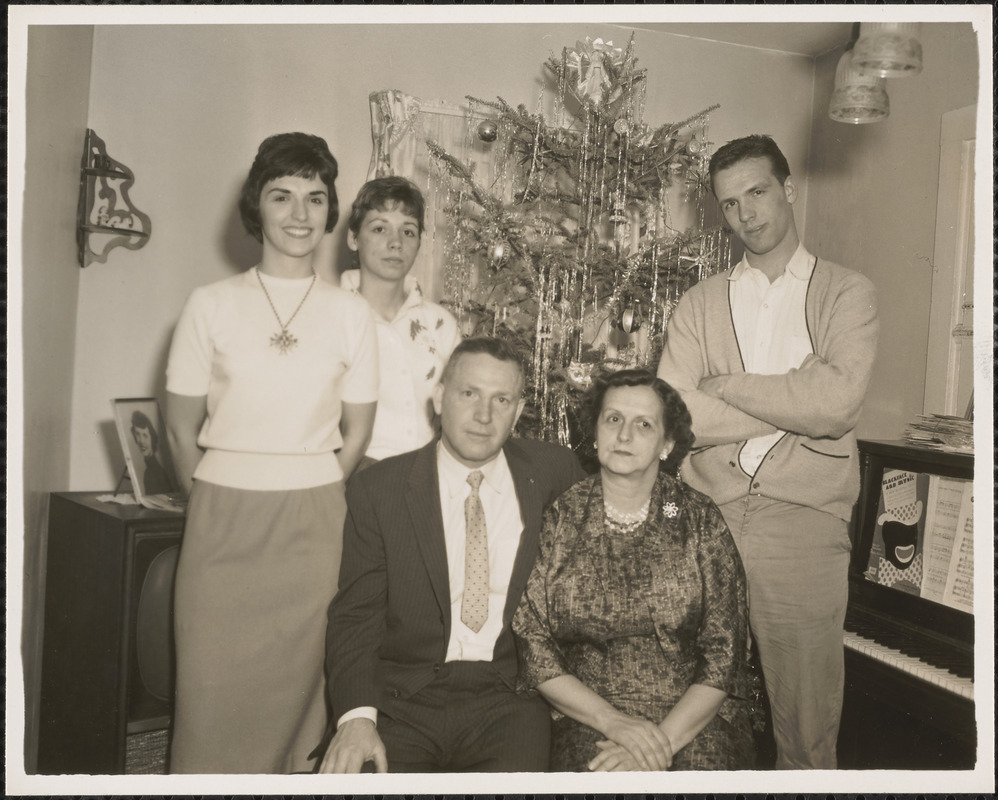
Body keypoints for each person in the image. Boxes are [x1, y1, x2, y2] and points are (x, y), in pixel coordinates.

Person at [656, 134, 879, 769]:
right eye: (729, 204)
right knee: (685, 704)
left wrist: (727, 387)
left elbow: (835, 406)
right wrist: (793, 396)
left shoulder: (846, 293)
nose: (746, 214)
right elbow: (677, 416)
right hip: (709, 514)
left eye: (757, 192)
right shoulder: (700, 304)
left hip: (804, 518)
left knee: (805, 729)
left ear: (788, 189)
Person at [164, 132, 379, 774]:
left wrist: (314, 488)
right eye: (281, 195)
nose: (298, 213)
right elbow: (178, 431)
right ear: (256, 205)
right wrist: (213, 501)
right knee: (207, 692)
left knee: (300, 700)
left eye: (315, 198)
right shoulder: (210, 305)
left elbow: (359, 432)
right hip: (221, 521)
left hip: (313, 526)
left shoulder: (351, 313)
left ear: (330, 212)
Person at [316, 337, 586, 773]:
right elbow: (356, 616)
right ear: (440, 398)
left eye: (502, 399)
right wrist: (356, 719)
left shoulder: (555, 472)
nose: (484, 416)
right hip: (403, 699)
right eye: (469, 394)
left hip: (509, 701)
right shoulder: (380, 488)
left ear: (518, 412)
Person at [513, 369, 754, 772]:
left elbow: (724, 653)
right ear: (595, 431)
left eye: (643, 424)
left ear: (667, 443)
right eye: (613, 419)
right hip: (591, 717)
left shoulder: (698, 520)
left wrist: (656, 745)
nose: (624, 435)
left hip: (693, 718)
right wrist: (613, 723)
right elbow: (534, 643)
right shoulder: (561, 517)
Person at [339, 176, 461, 466]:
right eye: (379, 229)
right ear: (353, 238)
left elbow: (458, 411)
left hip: (428, 475)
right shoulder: (331, 317)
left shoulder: (440, 324)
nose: (395, 243)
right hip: (354, 475)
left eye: (408, 231)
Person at [130, 409, 174, 495]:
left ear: (152, 438)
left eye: (145, 435)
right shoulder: (151, 469)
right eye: (137, 434)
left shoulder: (152, 473)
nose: (141, 441)